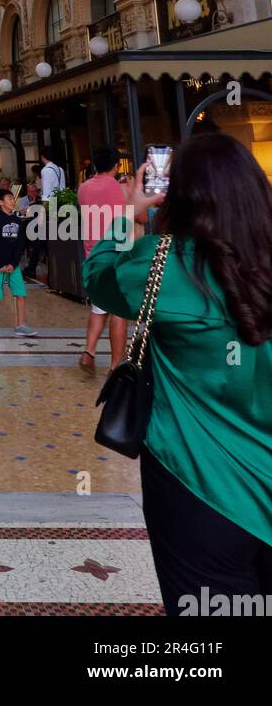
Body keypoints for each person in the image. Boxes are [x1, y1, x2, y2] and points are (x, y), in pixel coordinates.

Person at [84, 135, 272, 617]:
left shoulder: (162, 262)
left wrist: (129, 211)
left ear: (179, 194)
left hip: (199, 488)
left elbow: (100, 278)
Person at [76, 146, 129, 374]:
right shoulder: (120, 188)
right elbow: (138, 215)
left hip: (93, 255)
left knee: (99, 309)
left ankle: (89, 352)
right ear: (117, 166)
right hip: (116, 255)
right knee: (119, 311)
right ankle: (115, 365)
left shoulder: (83, 188)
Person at [0, 189, 38, 337]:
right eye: (9, 198)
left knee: (20, 293)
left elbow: (20, 244)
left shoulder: (17, 220)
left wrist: (13, 264)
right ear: (0, 202)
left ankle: (20, 324)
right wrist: (1, 264)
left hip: (13, 266)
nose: (12, 201)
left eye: (12, 198)